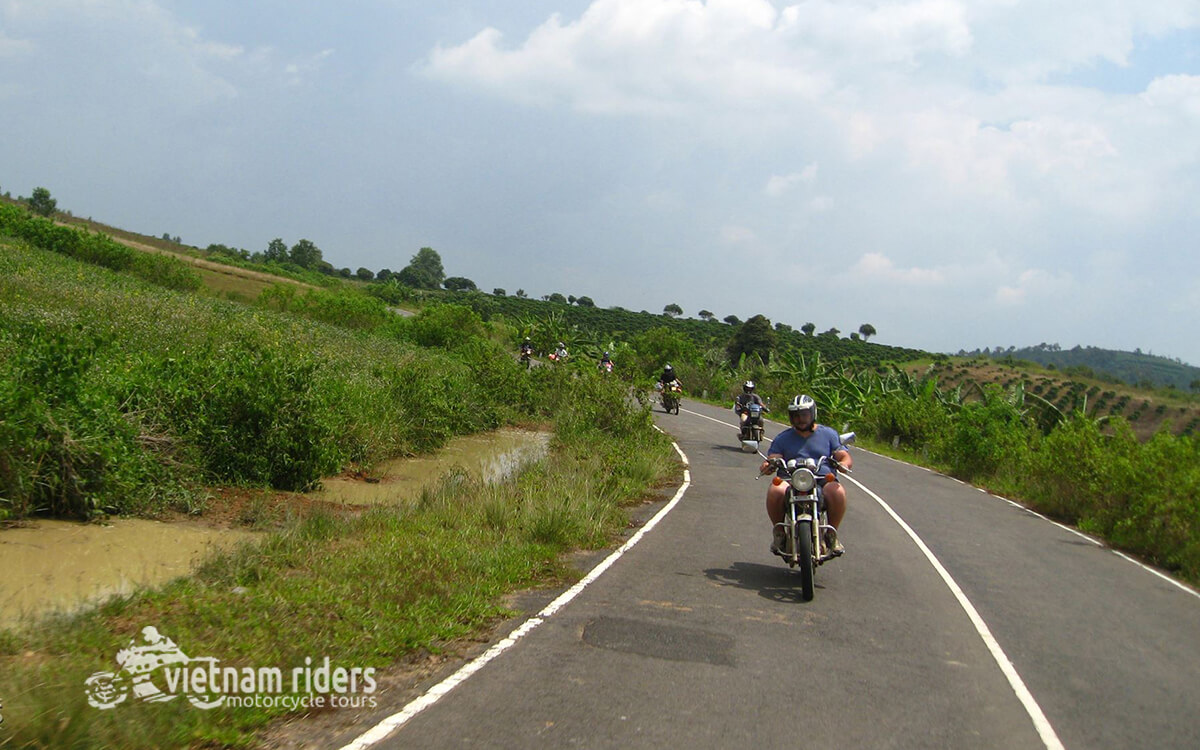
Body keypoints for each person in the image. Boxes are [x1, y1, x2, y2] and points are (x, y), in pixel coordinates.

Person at [759, 394, 852, 557]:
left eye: (804, 415)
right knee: (775, 490)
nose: (800, 419)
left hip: (821, 479)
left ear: (813, 414)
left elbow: (843, 455)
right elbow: (773, 457)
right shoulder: (783, 438)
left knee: (838, 491)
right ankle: (780, 533)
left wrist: (844, 464)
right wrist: (769, 465)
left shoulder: (828, 434)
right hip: (790, 479)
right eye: (796, 416)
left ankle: (831, 535)